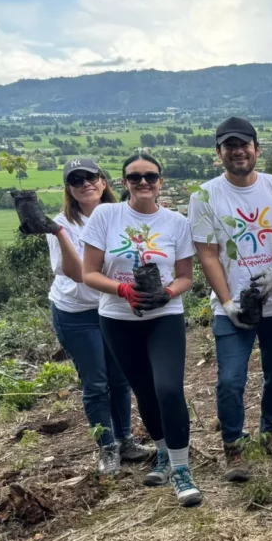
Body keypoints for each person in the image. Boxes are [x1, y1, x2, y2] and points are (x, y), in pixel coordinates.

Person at [81, 152, 202, 507]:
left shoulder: (176, 222)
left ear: (160, 181)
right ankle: (164, 453)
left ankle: (181, 470)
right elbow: (90, 272)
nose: (144, 182)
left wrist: (165, 293)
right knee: (145, 392)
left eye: (151, 176)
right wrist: (123, 290)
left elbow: (186, 278)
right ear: (124, 183)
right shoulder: (106, 215)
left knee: (167, 388)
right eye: (135, 178)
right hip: (118, 319)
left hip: (164, 317)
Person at [188, 118, 272, 484]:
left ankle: (271, 431)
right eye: (229, 146)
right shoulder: (204, 195)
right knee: (230, 380)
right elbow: (207, 253)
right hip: (232, 304)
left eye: (244, 144)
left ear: (257, 148)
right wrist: (227, 300)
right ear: (219, 153)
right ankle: (233, 444)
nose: (238, 151)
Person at [47, 158, 152, 475]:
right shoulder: (60, 224)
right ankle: (107, 448)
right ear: (69, 189)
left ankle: (126, 440)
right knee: (95, 382)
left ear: (104, 181)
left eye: (91, 177)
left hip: (114, 310)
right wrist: (60, 234)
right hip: (77, 312)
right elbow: (77, 273)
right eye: (76, 180)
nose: (85, 184)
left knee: (121, 379)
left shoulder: (120, 218)